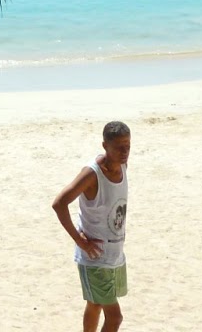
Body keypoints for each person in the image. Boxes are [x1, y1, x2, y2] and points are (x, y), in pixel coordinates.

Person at [53, 120, 130, 332]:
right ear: (105, 146)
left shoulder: (123, 165)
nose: (125, 152)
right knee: (115, 318)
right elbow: (59, 204)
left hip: (115, 255)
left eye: (128, 146)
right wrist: (80, 241)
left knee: (95, 304)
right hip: (95, 259)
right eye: (119, 147)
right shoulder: (92, 174)